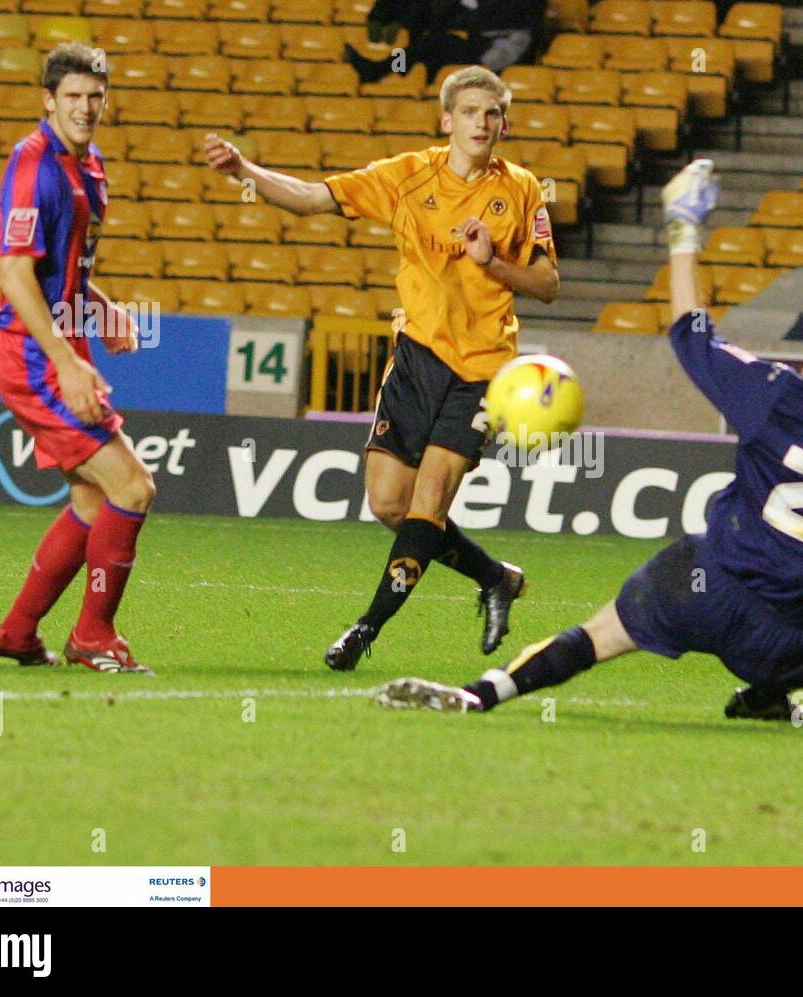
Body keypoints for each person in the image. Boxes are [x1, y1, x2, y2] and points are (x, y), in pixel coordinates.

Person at [375, 160, 803, 720]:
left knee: (597, 637)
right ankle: (766, 699)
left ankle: (482, 695)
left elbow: (692, 334)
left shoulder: (779, 397)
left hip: (696, 585)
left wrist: (684, 233)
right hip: (781, 643)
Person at [204, 65, 560, 672]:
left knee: (428, 504)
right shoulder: (405, 176)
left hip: (484, 370)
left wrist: (494, 262)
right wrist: (245, 172)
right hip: (417, 358)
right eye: (470, 111)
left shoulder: (524, 189)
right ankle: (494, 576)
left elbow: (548, 283)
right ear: (447, 120)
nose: (482, 122)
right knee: (390, 505)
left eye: (493, 113)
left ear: (505, 124)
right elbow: (314, 198)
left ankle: (365, 631)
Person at [0, 42, 156, 676]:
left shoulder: (88, 163)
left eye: (95, 98)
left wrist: (100, 306)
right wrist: (66, 360)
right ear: (48, 101)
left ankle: (17, 632)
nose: (85, 108)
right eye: (73, 98)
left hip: (56, 345)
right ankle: (93, 634)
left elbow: (63, 268)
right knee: (132, 486)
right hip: (34, 355)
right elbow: (14, 275)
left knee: (92, 501)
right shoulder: (35, 168)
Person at [345, 0, 547, 82]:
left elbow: (519, 39)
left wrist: (489, 63)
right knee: (427, 36)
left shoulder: (522, 6)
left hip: (495, 53)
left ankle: (386, 68)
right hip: (476, 42)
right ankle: (393, 63)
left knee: (432, 43)